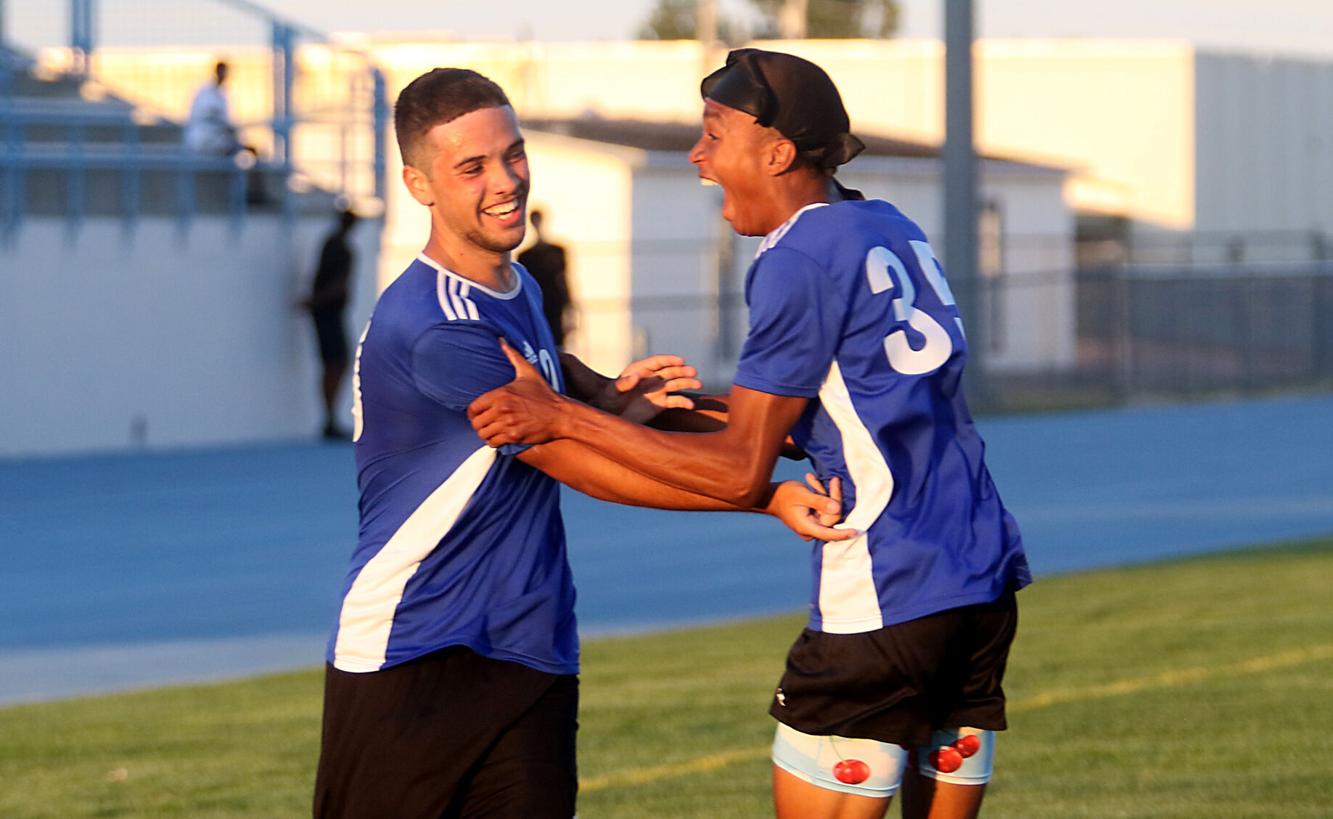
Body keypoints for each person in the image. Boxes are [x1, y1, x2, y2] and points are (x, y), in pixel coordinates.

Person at [468, 49, 1032, 819]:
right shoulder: (882, 225)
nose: (696, 156)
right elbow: (836, 408)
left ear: (776, 151)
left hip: (886, 585)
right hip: (981, 580)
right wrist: (634, 400)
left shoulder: (795, 254)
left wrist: (560, 416)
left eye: (711, 134)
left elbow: (740, 472)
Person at [312, 66, 851, 819]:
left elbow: (564, 401)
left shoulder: (516, 289)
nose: (505, 181)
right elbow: (583, 464)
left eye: (514, 153)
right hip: (417, 654)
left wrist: (617, 398)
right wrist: (762, 494)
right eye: (471, 167)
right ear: (419, 184)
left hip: (531, 645)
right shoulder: (434, 325)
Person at [301, 208, 359, 439]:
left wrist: (312, 301)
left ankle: (330, 418)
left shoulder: (332, 244)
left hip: (326, 311)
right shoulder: (342, 249)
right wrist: (315, 301)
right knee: (336, 363)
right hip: (328, 313)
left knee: (334, 363)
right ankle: (329, 419)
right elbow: (338, 285)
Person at [517, 209, 573, 347]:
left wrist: (570, 306)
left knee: (558, 340)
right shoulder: (526, 256)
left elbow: (564, 278)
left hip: (555, 301)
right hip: (538, 302)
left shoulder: (557, 251)